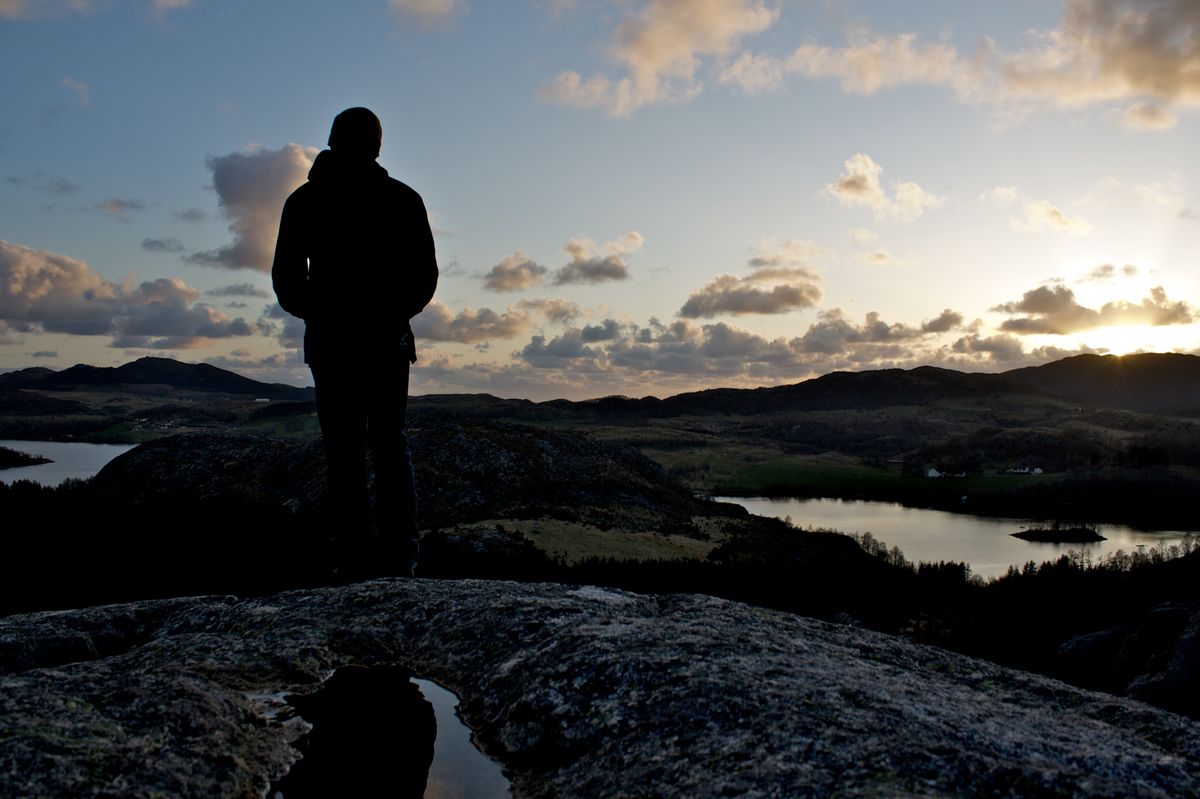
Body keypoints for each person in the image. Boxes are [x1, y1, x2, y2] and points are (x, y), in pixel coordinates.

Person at [272, 106, 438, 578]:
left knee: (345, 451)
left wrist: (324, 313)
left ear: (330, 140)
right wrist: (388, 314)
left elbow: (287, 282)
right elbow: (423, 279)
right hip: (385, 342)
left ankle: (352, 558)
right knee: (388, 444)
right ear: (378, 146)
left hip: (334, 344)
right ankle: (400, 558)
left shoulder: (304, 201)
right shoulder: (402, 199)